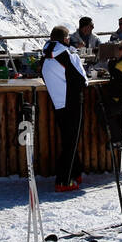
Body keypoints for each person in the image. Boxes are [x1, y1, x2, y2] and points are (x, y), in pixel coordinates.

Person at [42, 26, 88, 191]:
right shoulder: (67, 56)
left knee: (69, 140)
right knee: (72, 141)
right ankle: (63, 180)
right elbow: (82, 80)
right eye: (68, 37)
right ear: (64, 39)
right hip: (72, 101)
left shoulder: (46, 55)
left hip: (58, 102)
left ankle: (75, 173)